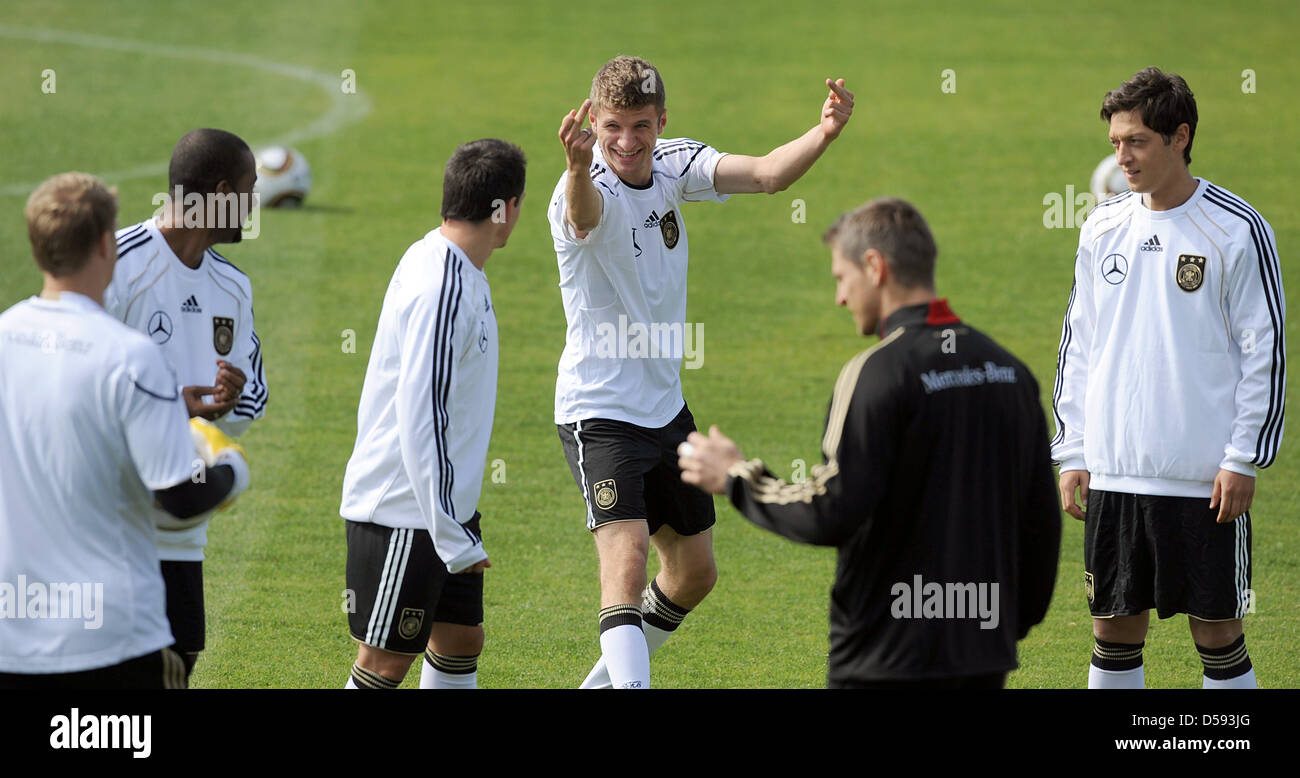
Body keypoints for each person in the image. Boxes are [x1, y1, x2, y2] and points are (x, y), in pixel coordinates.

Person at [550, 55, 855, 689]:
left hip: (663, 406)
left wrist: (823, 132)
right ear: (591, 120)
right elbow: (583, 221)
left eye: (640, 125)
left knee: (693, 572)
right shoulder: (582, 185)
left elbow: (767, 175)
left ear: (662, 121)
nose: (626, 143)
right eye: (612, 127)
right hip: (599, 409)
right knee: (627, 564)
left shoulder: (670, 165)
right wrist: (580, 166)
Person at [678, 198, 1061, 688]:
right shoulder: (1009, 371)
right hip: (982, 657)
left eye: (841, 278)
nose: (840, 297)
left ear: (874, 267)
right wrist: (1010, 625)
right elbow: (1040, 521)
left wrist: (736, 476)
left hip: (883, 658)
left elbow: (832, 508)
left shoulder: (876, 373)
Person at [1052, 67, 1284, 689]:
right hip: (1113, 468)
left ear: (1180, 137)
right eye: (1115, 143)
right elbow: (1080, 342)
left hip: (1202, 477)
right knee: (1113, 627)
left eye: (1137, 142)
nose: (1122, 158)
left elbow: (1265, 350)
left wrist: (1243, 457)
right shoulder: (1102, 227)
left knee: (1217, 631)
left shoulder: (1236, 229)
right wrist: (1072, 449)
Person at [0, 172, 249, 689]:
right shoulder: (130, 357)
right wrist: (230, 469)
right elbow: (180, 495)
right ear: (105, 245)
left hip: (15, 636)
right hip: (115, 638)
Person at [339, 139, 525, 690]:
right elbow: (421, 414)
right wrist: (451, 532)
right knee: (385, 662)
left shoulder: (453, 264)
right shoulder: (442, 285)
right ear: (505, 209)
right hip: (407, 511)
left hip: (443, 507)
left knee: (460, 639)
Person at [104, 128, 268, 681]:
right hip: (109, 525)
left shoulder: (233, 288)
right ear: (222, 191)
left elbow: (255, 401)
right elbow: (72, 378)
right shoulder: (118, 264)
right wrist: (170, 403)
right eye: (249, 188)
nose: (254, 204)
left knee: (177, 669)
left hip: (183, 532)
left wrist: (232, 399)